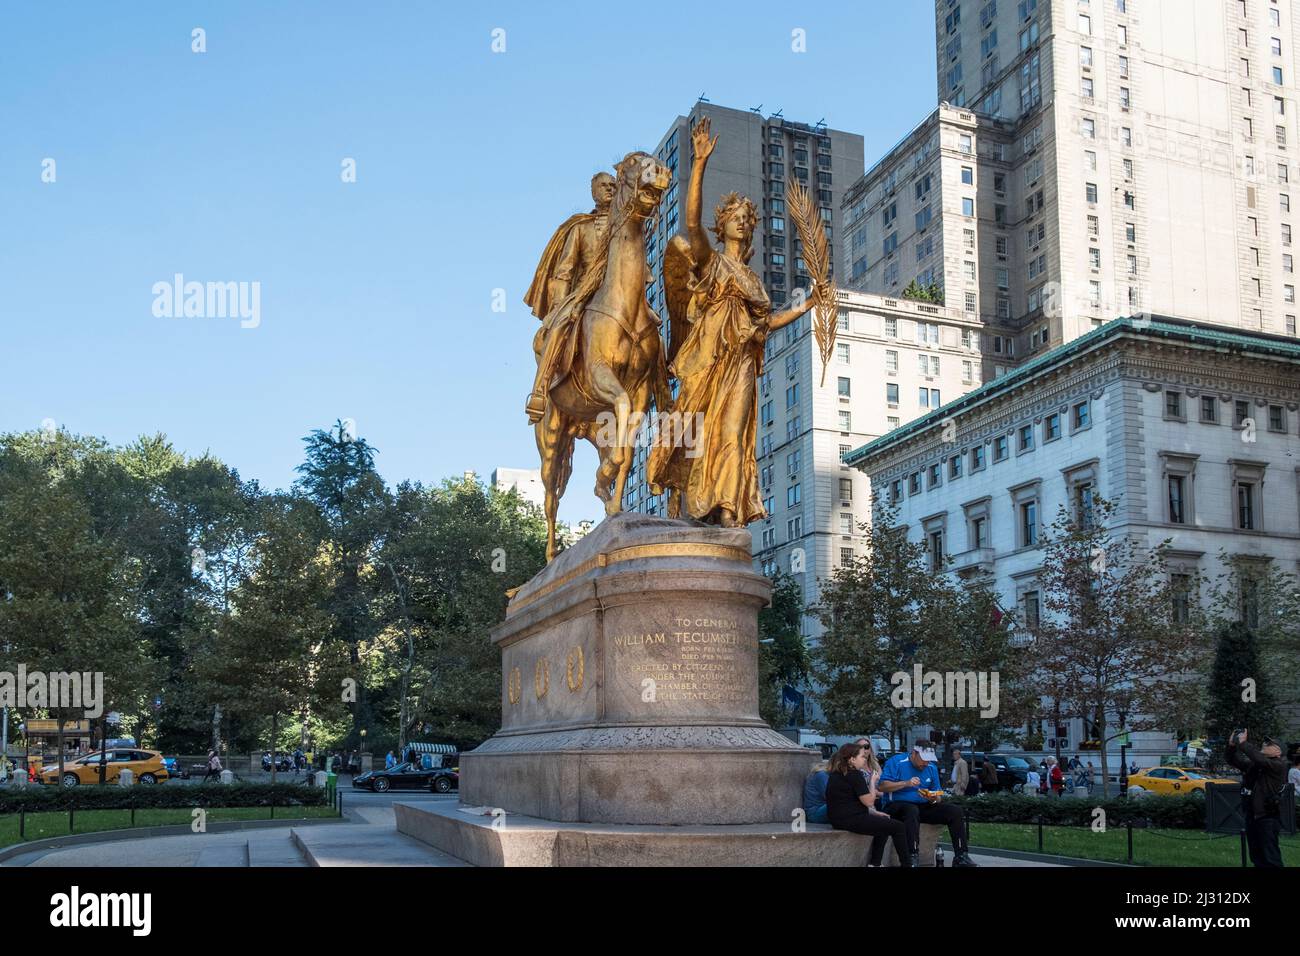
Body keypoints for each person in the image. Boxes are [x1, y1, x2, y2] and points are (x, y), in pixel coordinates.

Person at [646, 115, 814, 526]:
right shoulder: (711, 263)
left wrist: (805, 307)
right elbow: (690, 222)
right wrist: (700, 161)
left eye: (747, 216)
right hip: (707, 364)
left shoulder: (754, 280)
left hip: (740, 363)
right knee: (702, 434)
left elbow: (765, 323)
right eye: (734, 215)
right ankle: (699, 505)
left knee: (736, 434)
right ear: (721, 226)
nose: (742, 219)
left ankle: (727, 509)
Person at [879, 739, 978, 867]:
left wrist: (933, 798)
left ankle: (961, 856)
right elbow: (882, 786)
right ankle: (912, 856)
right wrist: (906, 783)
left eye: (929, 759)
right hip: (896, 805)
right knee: (911, 809)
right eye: (923, 759)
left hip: (923, 805)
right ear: (914, 753)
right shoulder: (897, 761)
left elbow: (938, 795)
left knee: (955, 811)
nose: (926, 763)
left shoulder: (931, 767)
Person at [824, 743, 910, 867]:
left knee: (884, 823)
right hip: (851, 820)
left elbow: (849, 802)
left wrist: (875, 813)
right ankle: (906, 864)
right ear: (852, 759)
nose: (865, 760)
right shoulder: (854, 775)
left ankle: (875, 863)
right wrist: (872, 782)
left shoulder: (836, 774)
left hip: (838, 819)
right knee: (899, 827)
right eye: (862, 757)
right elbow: (869, 801)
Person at [1225, 730, 1287, 867]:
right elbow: (1233, 760)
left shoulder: (1278, 765)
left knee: (1270, 857)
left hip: (1267, 817)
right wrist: (1232, 746)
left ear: (1278, 752)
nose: (1265, 744)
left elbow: (1259, 759)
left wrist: (1243, 743)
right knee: (1256, 855)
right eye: (1265, 742)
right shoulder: (1256, 765)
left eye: (1270, 744)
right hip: (1252, 815)